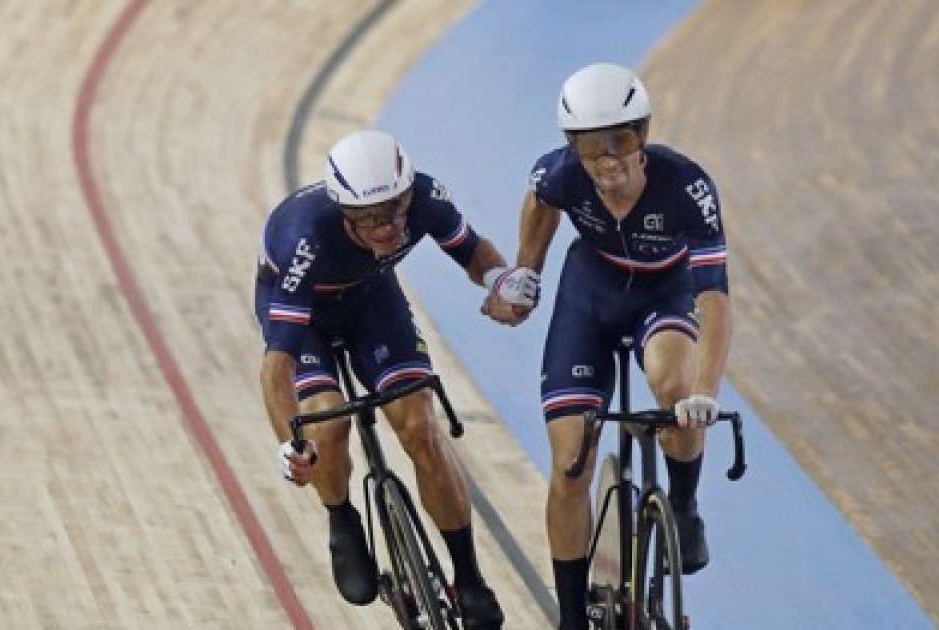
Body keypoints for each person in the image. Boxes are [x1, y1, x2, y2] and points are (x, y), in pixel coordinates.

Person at [482, 62, 732, 629]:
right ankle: (571, 615)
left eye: (618, 141)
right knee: (571, 464)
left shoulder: (687, 186)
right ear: (573, 146)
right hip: (589, 294)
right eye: (590, 147)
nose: (606, 159)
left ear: (642, 135)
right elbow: (539, 200)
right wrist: (527, 272)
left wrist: (706, 391)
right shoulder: (561, 173)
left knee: (674, 387)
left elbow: (715, 297)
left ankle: (684, 503)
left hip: (664, 294)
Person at [256, 129, 522, 628]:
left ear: (407, 194)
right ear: (344, 213)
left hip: (370, 299)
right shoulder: (304, 240)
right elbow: (277, 366)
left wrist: (500, 280)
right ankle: (341, 517)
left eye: (395, 211)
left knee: (420, 426)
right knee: (325, 426)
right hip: (306, 320)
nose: (386, 228)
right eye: (369, 219)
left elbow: (473, 252)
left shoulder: (426, 198)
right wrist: (289, 443)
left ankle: (468, 577)